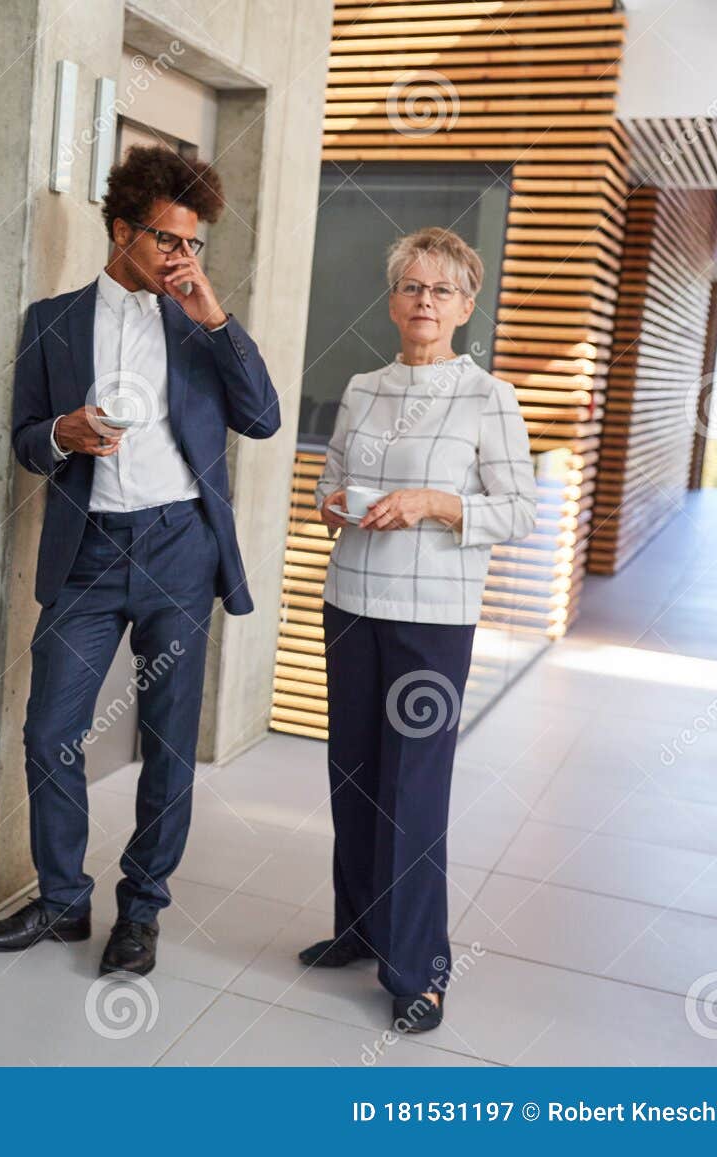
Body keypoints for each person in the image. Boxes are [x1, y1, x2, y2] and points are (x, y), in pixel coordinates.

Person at [0, 145, 280, 977]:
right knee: (49, 731)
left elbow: (263, 417)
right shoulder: (53, 320)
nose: (182, 258)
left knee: (168, 742)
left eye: (193, 243)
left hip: (180, 547)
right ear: (121, 231)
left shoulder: (198, 323)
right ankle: (63, 900)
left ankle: (141, 910)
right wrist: (62, 434)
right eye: (167, 240)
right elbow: (25, 439)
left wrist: (215, 316)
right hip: (90, 552)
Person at [297, 226, 536, 1033]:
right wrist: (334, 506)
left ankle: (419, 968)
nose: (424, 300)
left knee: (414, 790)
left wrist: (434, 504)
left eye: (441, 289)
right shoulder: (363, 386)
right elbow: (328, 487)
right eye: (411, 286)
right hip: (351, 604)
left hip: (432, 620)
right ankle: (361, 928)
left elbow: (520, 510)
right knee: (355, 774)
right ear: (393, 300)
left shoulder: (488, 397)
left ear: (466, 307)